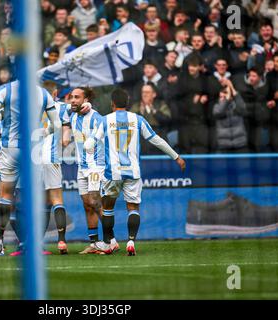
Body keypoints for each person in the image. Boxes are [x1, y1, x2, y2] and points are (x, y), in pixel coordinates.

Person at [84, 88, 185, 256]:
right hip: (133, 172)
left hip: (112, 172)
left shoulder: (105, 120)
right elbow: (156, 140)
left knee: (108, 207)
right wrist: (176, 157)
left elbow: (88, 145)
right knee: (133, 208)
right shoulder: (137, 119)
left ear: (112, 104)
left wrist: (91, 152)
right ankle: (131, 241)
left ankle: (108, 243)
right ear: (128, 102)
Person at [0, 81, 60, 256]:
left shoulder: (6, 90)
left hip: (10, 149)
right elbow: (56, 124)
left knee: (6, 196)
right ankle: (33, 242)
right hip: (33, 151)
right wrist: (47, 131)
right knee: (33, 198)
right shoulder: (43, 93)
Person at [69, 87, 118, 254]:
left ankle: (110, 240)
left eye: (77, 97)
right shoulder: (72, 116)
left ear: (86, 99)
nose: (73, 100)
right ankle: (94, 243)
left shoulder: (97, 118)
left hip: (96, 166)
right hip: (81, 167)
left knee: (95, 203)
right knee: (87, 205)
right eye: (71, 97)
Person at [38, 81, 72, 255]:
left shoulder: (32, 108)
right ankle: (61, 241)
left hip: (34, 161)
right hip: (51, 158)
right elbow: (66, 137)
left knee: (43, 203)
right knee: (57, 199)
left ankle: (37, 243)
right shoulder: (62, 108)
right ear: (55, 92)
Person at [212, 79, 249, 153]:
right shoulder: (217, 106)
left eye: (225, 94)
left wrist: (232, 88)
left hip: (240, 143)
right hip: (223, 145)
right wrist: (227, 99)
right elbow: (219, 112)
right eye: (221, 96)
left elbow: (243, 109)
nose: (223, 98)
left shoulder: (236, 105)